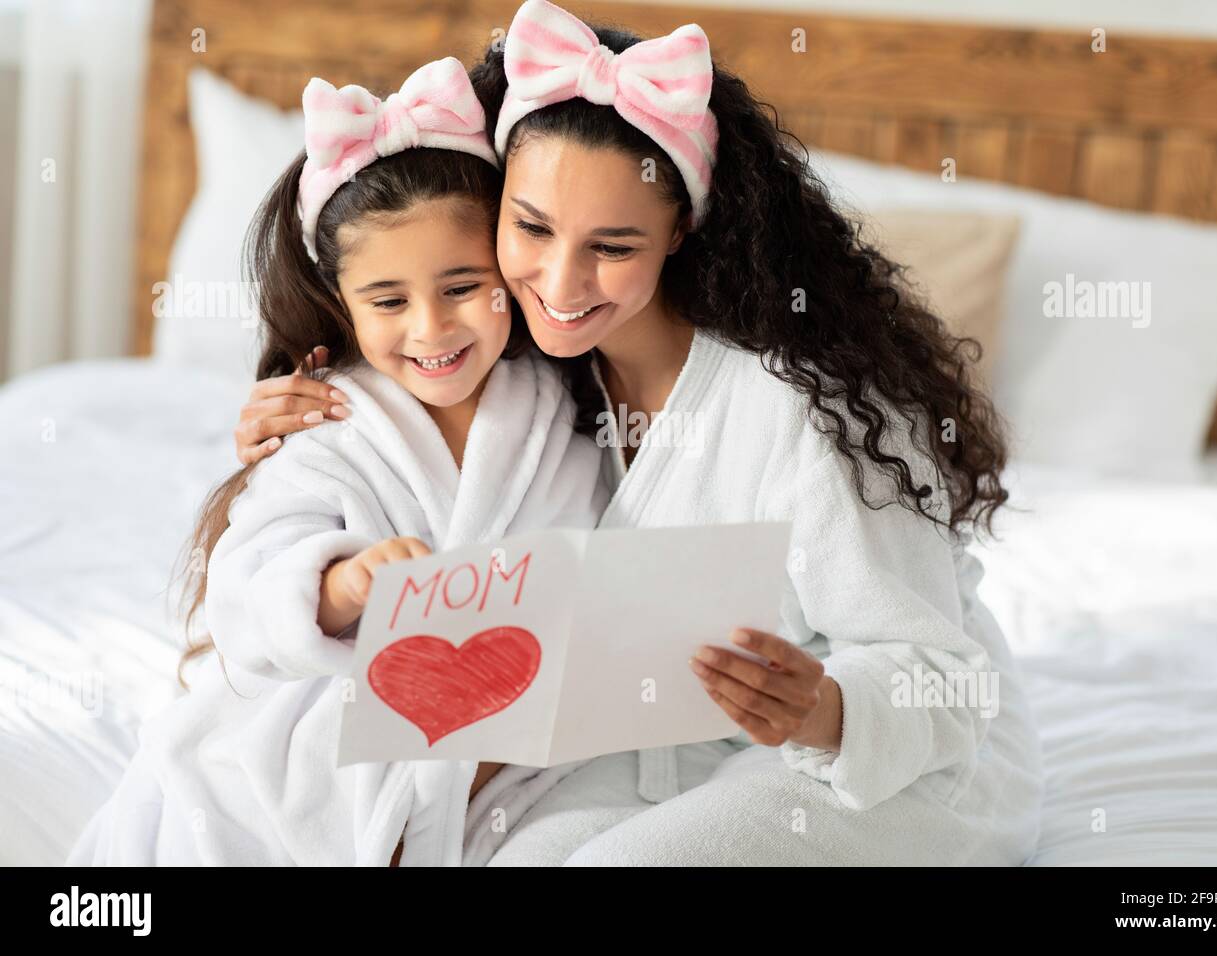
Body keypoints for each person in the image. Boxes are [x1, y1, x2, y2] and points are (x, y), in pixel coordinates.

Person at [231, 0, 1045, 866]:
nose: (560, 280)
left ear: (679, 230)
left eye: (613, 246)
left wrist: (823, 709)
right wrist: (299, 402)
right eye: (532, 228)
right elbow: (408, 327)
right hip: (669, 753)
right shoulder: (538, 374)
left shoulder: (808, 410)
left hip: (885, 764)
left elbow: (946, 681)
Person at [66, 57, 607, 866]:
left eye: (463, 286)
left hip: (502, 744)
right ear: (342, 305)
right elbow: (249, 583)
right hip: (329, 733)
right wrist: (339, 585)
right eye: (389, 301)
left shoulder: (561, 413)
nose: (431, 329)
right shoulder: (327, 418)